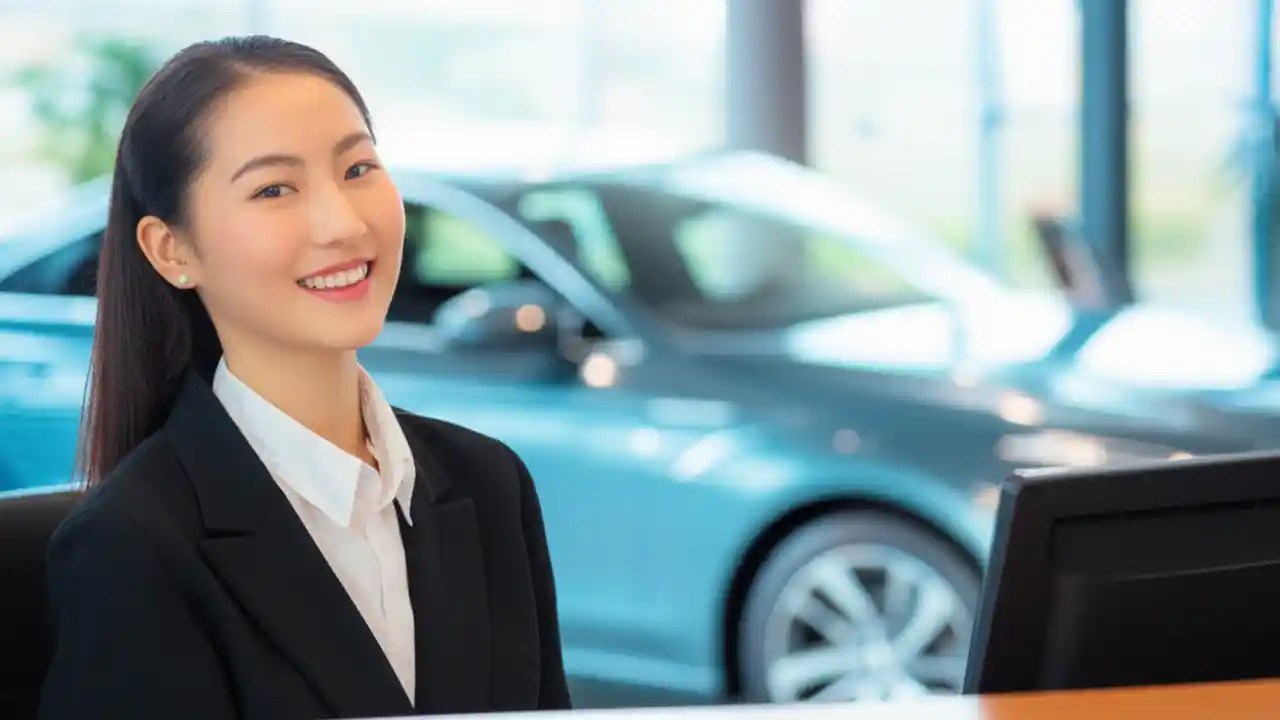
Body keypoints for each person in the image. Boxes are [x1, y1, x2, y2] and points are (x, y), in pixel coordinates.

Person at [39, 36, 571, 719]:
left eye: (357, 169)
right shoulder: (134, 544)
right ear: (172, 250)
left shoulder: (490, 483)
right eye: (274, 188)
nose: (343, 224)